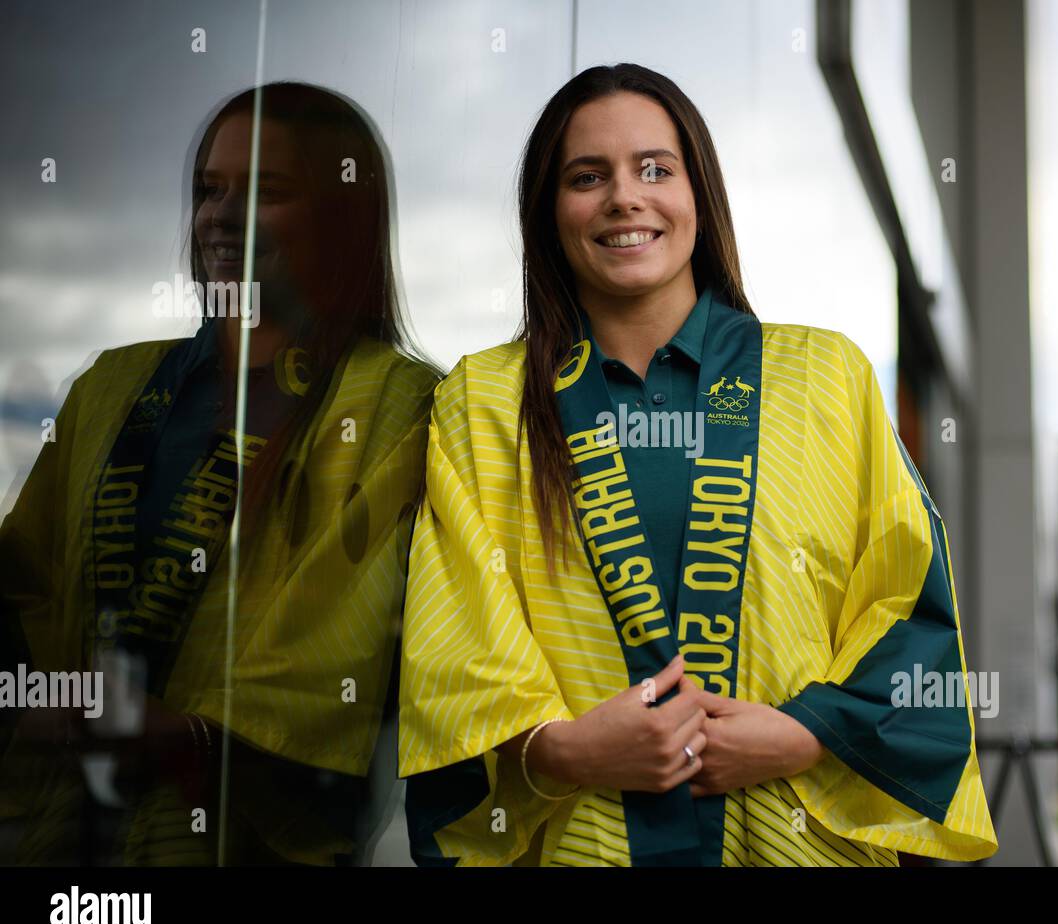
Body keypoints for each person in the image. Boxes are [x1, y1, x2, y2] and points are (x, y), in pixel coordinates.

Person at [399, 63, 997, 866]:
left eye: (655, 168)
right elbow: (455, 640)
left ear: (699, 194)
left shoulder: (827, 376)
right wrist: (566, 750)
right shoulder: (483, 400)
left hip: (793, 840)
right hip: (587, 843)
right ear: (549, 211)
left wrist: (805, 733)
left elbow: (907, 600)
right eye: (587, 176)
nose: (624, 197)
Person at [0, 82, 438, 865]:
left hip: (239, 840)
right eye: (209, 190)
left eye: (265, 193)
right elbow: (25, 581)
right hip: (65, 833)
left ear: (342, 218)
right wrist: (33, 703)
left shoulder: (396, 401)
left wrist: (191, 733)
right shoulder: (111, 386)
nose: (220, 216)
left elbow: (349, 632)